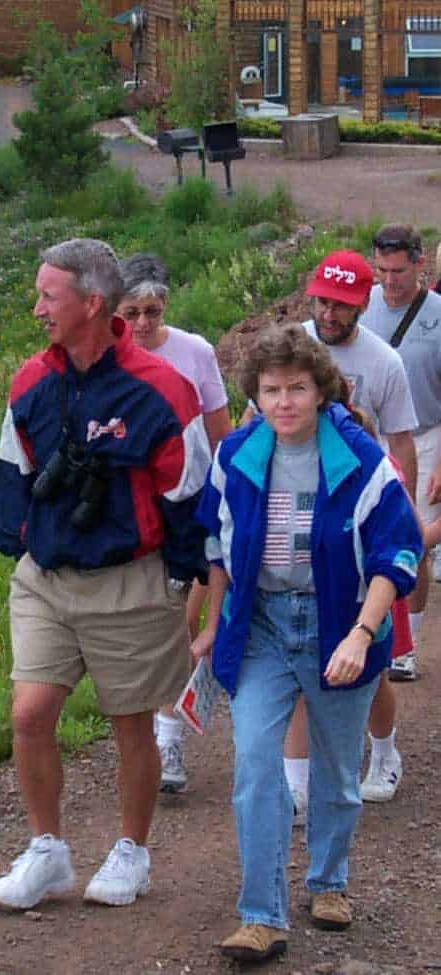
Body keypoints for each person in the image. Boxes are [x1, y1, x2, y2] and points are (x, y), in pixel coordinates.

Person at [0, 238, 210, 911]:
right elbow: (11, 470)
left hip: (128, 579)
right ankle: (46, 850)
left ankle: (130, 850)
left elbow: (189, 491)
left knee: (128, 723)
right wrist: (20, 542)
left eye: (47, 296)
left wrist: (182, 579)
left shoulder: (162, 389)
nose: (36, 309)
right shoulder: (30, 380)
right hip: (45, 576)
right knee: (28, 713)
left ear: (90, 303)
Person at [193, 323, 422, 963]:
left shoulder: (361, 460)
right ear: (256, 396)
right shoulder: (236, 455)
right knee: (256, 767)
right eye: (271, 390)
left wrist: (360, 632)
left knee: (338, 774)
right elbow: (215, 544)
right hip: (260, 623)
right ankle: (261, 914)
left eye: (297, 388)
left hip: (338, 623)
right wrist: (213, 623)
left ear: (322, 392)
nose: (285, 402)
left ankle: (329, 882)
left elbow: (396, 553)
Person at [283, 251, 420, 813]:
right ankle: (295, 782)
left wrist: (403, 520)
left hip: (360, 514)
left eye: (340, 303)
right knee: (294, 653)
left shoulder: (383, 361)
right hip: (294, 508)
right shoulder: (289, 347)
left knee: (367, 656)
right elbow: (253, 421)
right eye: (322, 300)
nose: (329, 312)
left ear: (362, 303)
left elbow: (402, 442)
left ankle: (383, 751)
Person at [117, 253, 232, 795]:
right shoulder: (105, 357)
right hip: (129, 511)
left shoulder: (195, 353)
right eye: (132, 312)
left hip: (190, 504)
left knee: (179, 621)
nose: (142, 324)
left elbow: (220, 433)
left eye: (152, 311)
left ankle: (167, 738)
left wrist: (228, 497)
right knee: (150, 627)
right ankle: (154, 733)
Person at [361, 224, 441, 679]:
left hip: (427, 434)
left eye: (398, 271)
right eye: (382, 271)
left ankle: (406, 643)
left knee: (413, 540)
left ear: (418, 265)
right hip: (371, 437)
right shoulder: (363, 307)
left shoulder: (438, 314)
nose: (390, 281)